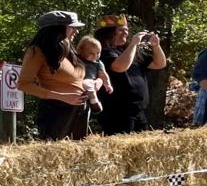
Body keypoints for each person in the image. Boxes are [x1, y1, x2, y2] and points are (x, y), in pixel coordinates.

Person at [18, 11, 89, 140]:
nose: (76, 31)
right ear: (58, 29)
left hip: (79, 110)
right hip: (55, 112)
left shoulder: (68, 50)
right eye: (72, 27)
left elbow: (75, 80)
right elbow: (23, 84)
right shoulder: (36, 51)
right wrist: (61, 97)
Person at [94, 13, 167, 134]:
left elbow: (159, 64)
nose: (126, 33)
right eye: (121, 30)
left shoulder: (132, 51)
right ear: (109, 32)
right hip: (117, 112)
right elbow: (119, 67)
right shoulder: (103, 52)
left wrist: (156, 46)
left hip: (139, 111)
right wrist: (133, 44)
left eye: (126, 30)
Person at [75, 36, 110, 128]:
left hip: (91, 82)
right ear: (81, 51)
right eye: (91, 53)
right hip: (80, 83)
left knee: (88, 84)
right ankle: (94, 100)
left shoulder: (98, 63)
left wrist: (108, 84)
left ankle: (94, 101)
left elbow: (103, 75)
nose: (95, 56)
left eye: (98, 53)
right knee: (85, 83)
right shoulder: (77, 59)